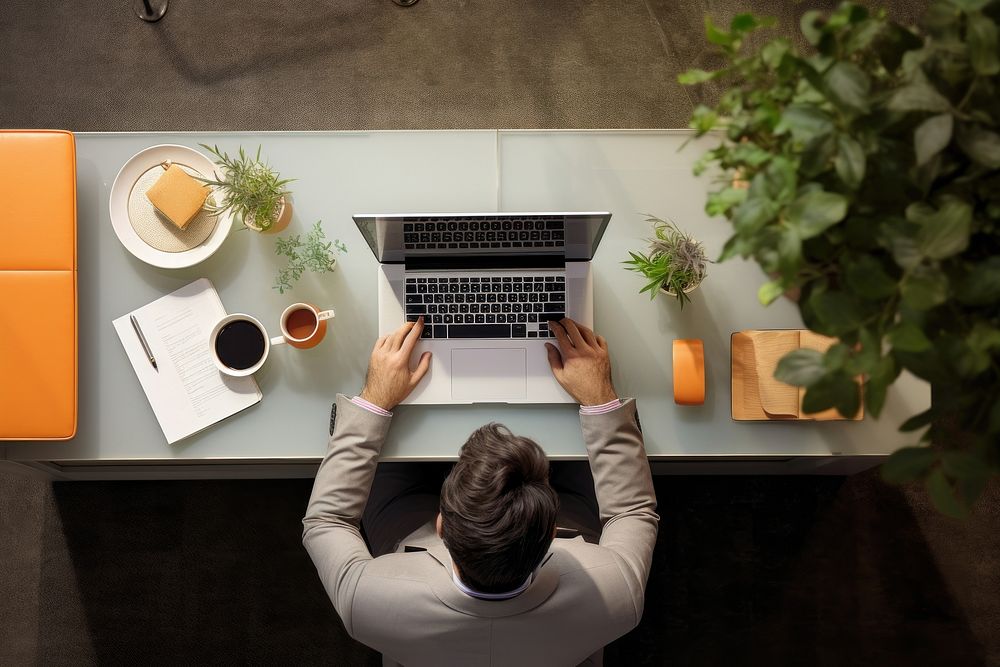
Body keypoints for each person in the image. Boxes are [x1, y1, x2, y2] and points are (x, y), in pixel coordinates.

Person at [302, 316, 659, 666]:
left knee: (378, 456)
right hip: (572, 534)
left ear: (440, 527)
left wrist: (374, 401)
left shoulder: (368, 601)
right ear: (552, 532)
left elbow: (327, 521)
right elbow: (632, 512)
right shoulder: (617, 593)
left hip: (407, 530)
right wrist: (601, 400)